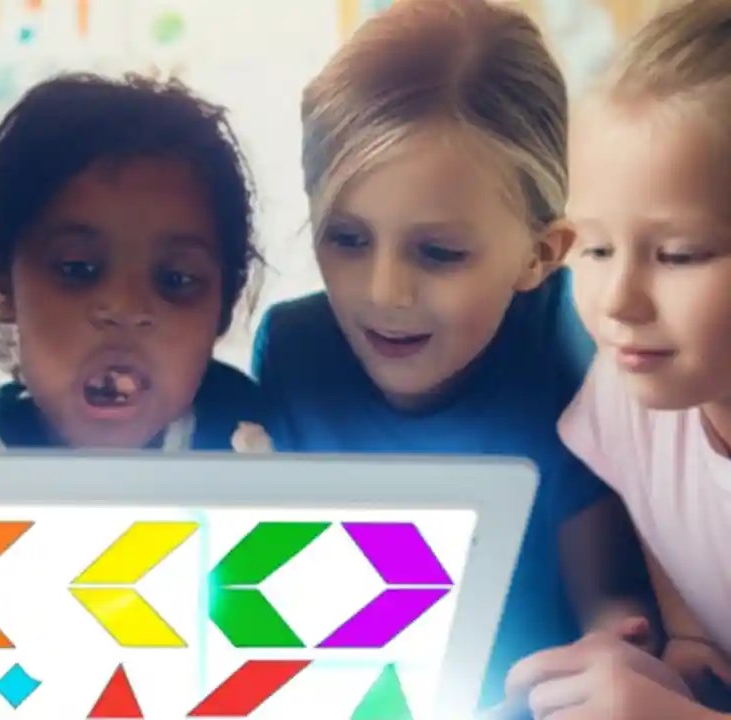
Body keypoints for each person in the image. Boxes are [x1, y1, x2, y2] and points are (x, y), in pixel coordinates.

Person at [251, 0, 651, 708]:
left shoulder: (568, 358)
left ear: (540, 254)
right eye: (345, 239)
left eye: (438, 252)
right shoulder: (291, 351)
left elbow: (612, 616)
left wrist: (607, 662)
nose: (384, 292)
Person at [498, 2, 731, 717]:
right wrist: (677, 661)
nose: (618, 300)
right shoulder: (626, 393)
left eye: (679, 254)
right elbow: (693, 615)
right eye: (594, 250)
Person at [0, 74, 271, 452]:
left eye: (176, 278)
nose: (125, 308)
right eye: (78, 269)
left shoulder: (272, 440)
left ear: (224, 304)